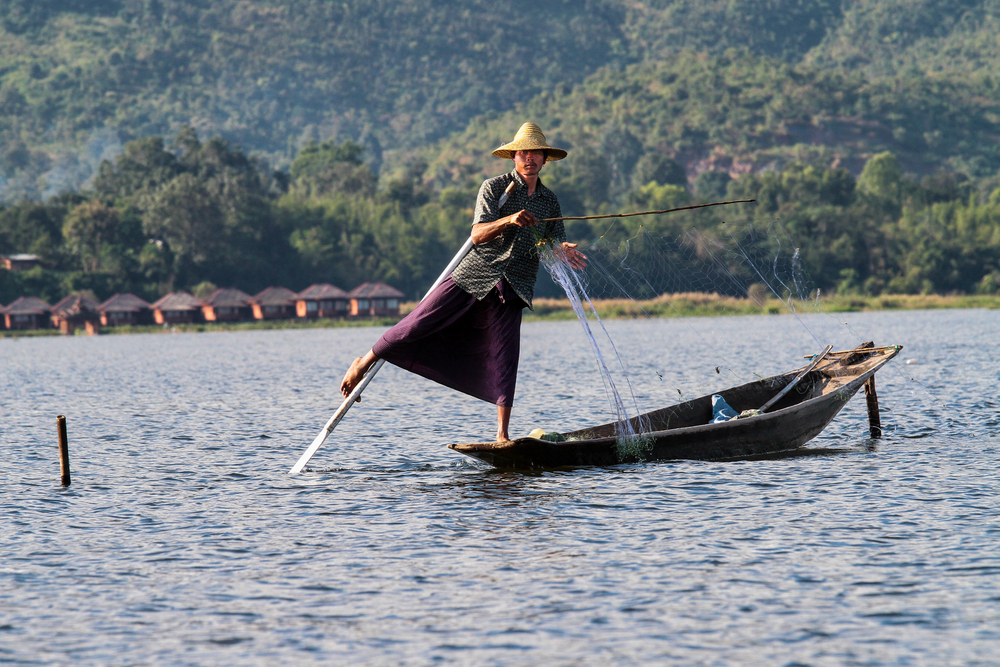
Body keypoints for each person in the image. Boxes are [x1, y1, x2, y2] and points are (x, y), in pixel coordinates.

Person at [339, 122, 587, 441]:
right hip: (474, 274)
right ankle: (364, 360)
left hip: (516, 284)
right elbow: (477, 234)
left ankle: (502, 436)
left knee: (506, 359)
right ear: (514, 156)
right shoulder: (495, 187)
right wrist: (509, 219)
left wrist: (562, 249)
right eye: (523, 152)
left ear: (544, 158)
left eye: (535, 152)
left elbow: (553, 241)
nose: (529, 158)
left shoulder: (549, 201)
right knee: (415, 325)